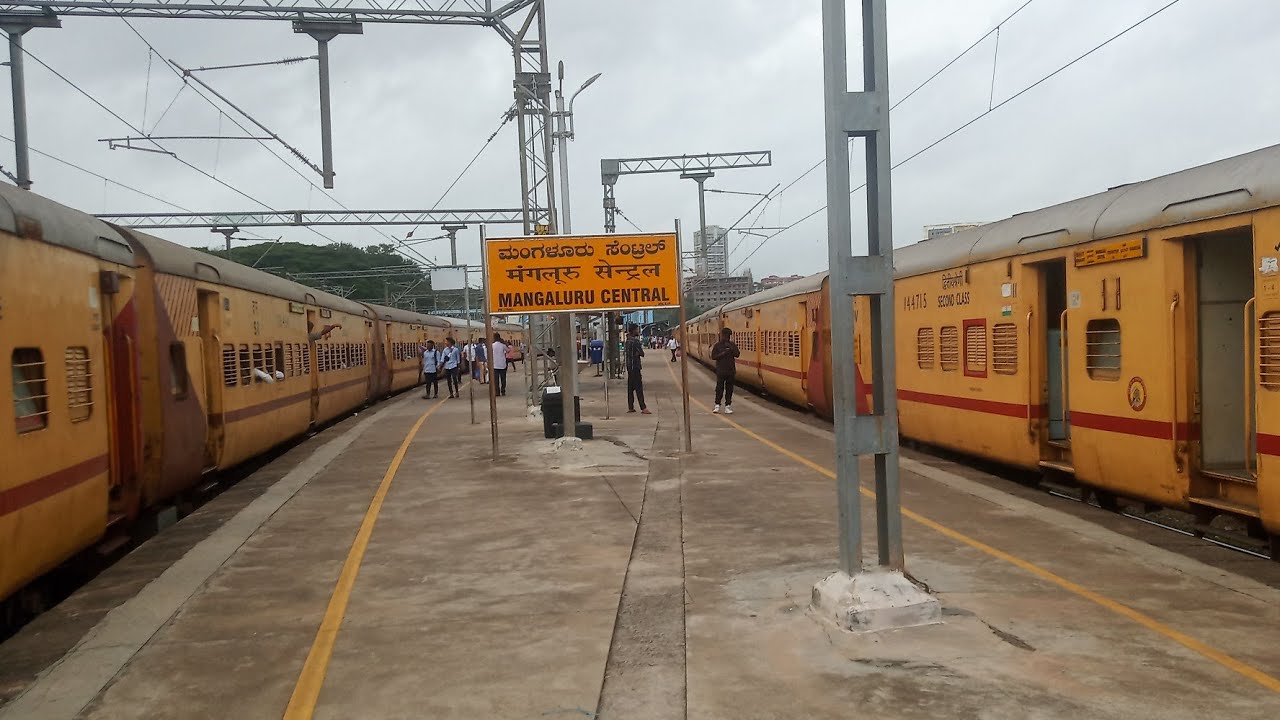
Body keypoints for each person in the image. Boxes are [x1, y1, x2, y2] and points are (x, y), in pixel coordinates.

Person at [710, 327, 740, 414]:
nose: (727, 337)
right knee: (719, 388)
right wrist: (723, 353)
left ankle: (728, 405)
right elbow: (713, 356)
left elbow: (737, 354)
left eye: (728, 336)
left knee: (729, 388)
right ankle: (717, 405)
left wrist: (731, 348)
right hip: (721, 370)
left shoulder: (732, 345)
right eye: (726, 335)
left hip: (730, 370)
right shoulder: (717, 345)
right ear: (722, 335)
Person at [625, 324, 650, 414]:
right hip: (635, 367)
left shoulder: (627, 341)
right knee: (639, 388)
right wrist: (638, 353)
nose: (638, 331)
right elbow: (642, 353)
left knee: (630, 389)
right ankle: (643, 408)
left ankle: (630, 407)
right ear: (633, 331)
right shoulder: (635, 341)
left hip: (629, 367)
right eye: (637, 330)